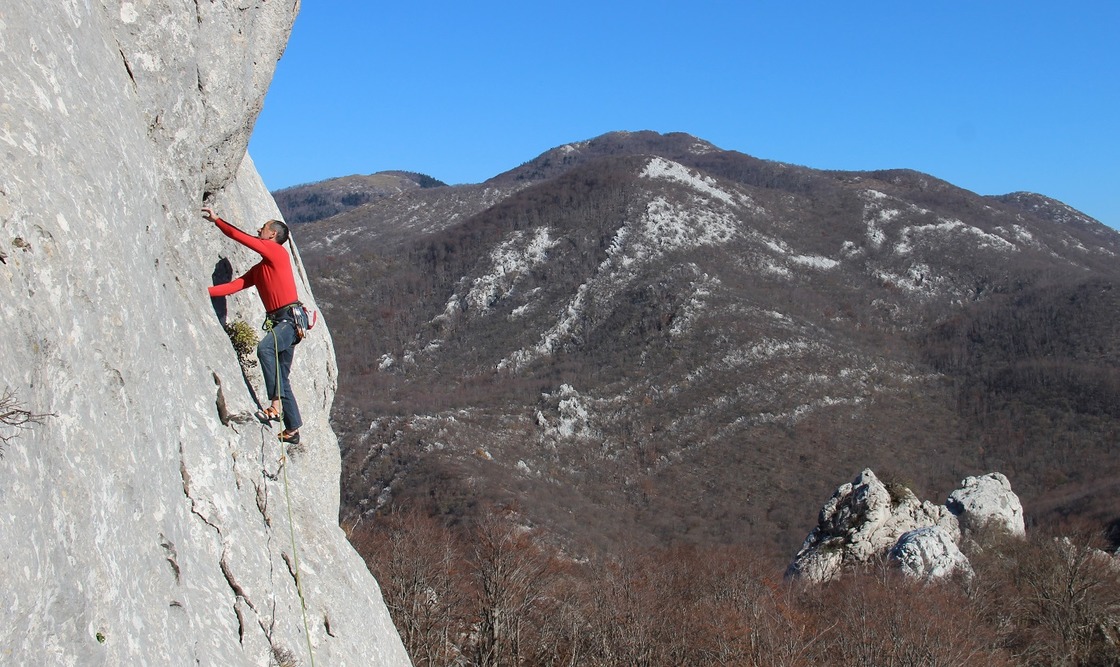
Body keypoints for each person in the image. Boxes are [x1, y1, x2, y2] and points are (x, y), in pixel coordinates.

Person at [203, 207, 302, 444]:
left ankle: (275, 405)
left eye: (264, 228)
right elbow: (235, 286)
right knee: (282, 375)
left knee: (265, 349)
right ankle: (293, 429)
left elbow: (240, 237)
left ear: (272, 235)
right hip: (287, 322)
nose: (259, 230)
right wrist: (203, 291)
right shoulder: (261, 270)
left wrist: (217, 219)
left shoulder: (278, 252)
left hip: (289, 321)